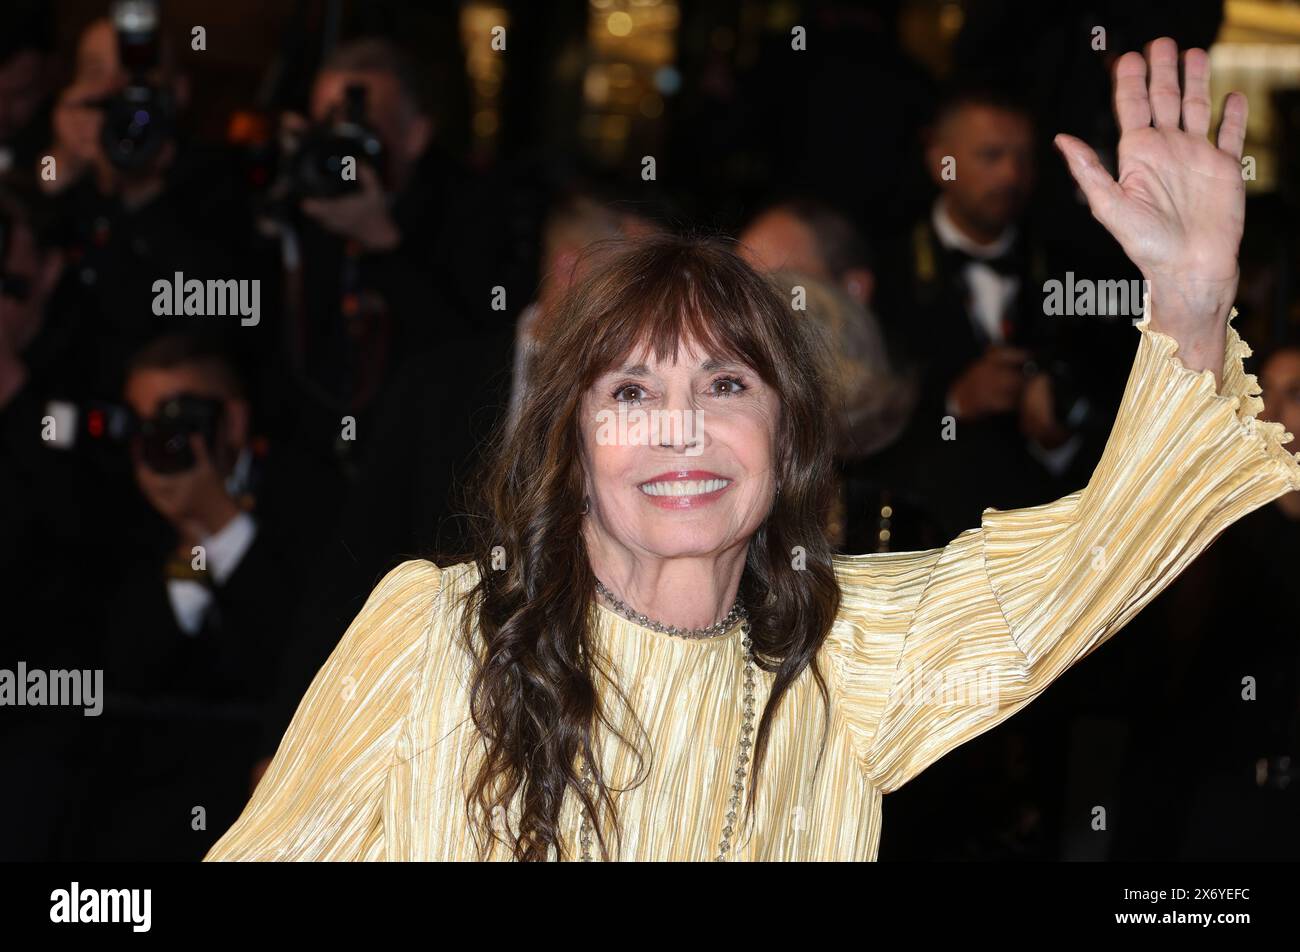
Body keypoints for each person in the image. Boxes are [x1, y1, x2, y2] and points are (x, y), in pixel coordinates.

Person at [205, 39, 1300, 861]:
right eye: (632, 389)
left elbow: (1105, 552)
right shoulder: (433, 632)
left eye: (725, 384)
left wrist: (1191, 296)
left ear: (785, 437)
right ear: (571, 441)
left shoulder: (851, 657)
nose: (680, 427)